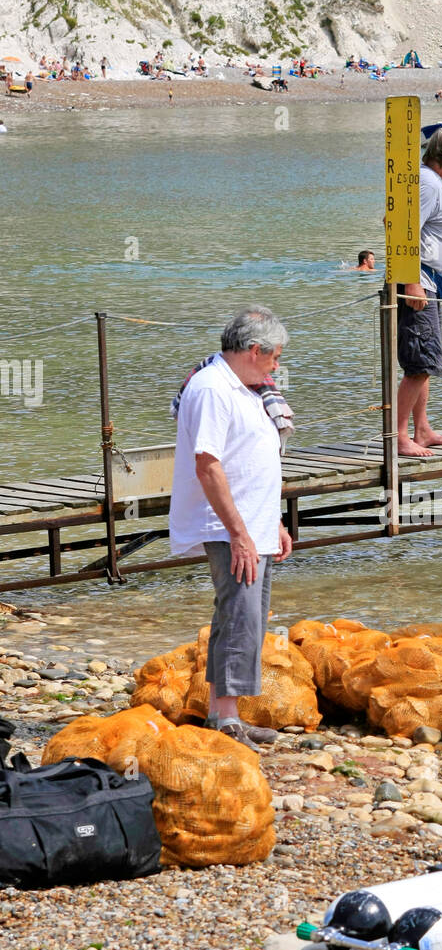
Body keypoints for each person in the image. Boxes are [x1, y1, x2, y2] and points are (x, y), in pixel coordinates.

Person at [168, 305, 293, 751]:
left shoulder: (242, 386)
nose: (277, 366)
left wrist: (273, 521)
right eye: (275, 357)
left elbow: (252, 460)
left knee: (245, 618)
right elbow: (208, 465)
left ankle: (225, 713)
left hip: (253, 522)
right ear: (254, 350)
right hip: (226, 525)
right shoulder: (212, 389)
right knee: (241, 616)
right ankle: (225, 720)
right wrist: (239, 532)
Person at [396, 122, 442, 457]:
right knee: (419, 363)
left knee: (426, 360)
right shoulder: (427, 183)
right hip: (419, 282)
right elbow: (403, 230)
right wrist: (412, 280)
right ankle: (399, 436)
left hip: (428, 282)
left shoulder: (431, 181)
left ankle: (422, 429)